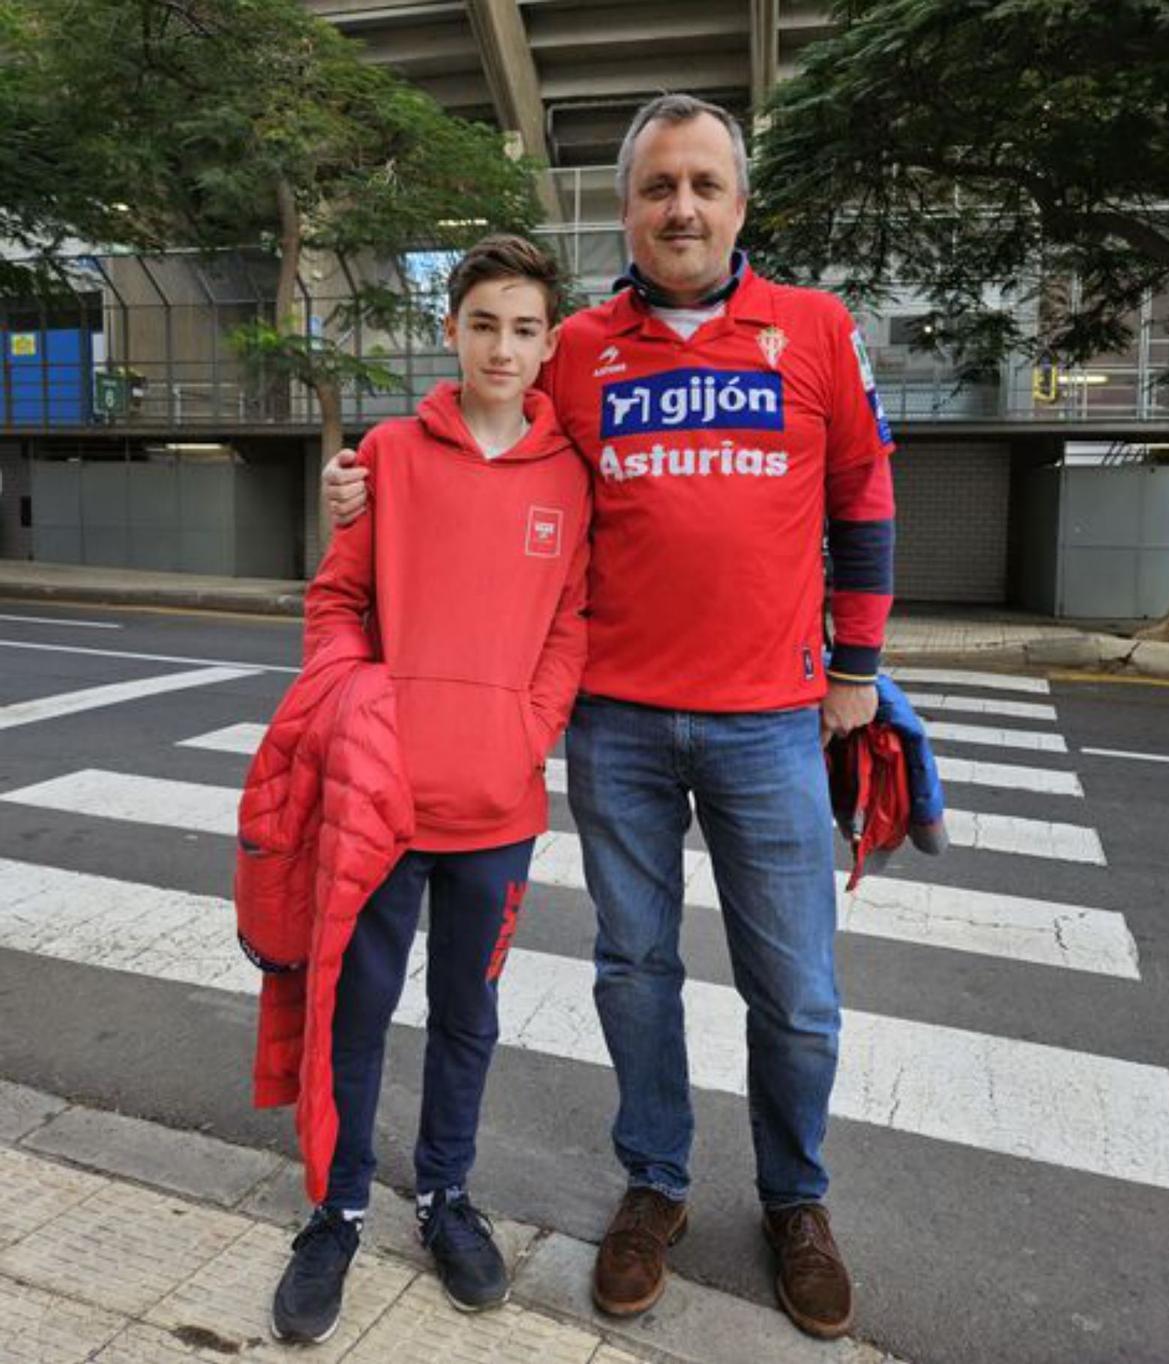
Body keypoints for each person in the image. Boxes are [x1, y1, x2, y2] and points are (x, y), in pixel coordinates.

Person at [322, 94, 895, 1342]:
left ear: (740, 202)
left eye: (704, 184)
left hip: (770, 720)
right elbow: (489, 438)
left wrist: (858, 665)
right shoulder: (578, 346)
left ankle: (795, 1198)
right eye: (657, 187)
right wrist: (364, 480)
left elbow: (863, 489)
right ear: (626, 210)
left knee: (796, 990)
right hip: (618, 721)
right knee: (634, 971)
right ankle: (656, 1181)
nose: (681, 207)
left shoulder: (814, 327)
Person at [272, 234, 590, 1344]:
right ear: (450, 330)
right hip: (383, 805)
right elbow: (333, 604)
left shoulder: (570, 479)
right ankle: (337, 1209)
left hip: (497, 812)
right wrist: (362, 713)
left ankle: (446, 1195)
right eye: (484, 323)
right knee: (355, 1011)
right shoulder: (388, 457)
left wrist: (526, 732)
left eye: (524, 328)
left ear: (549, 345)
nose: (503, 346)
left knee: (467, 1017)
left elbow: (570, 627)